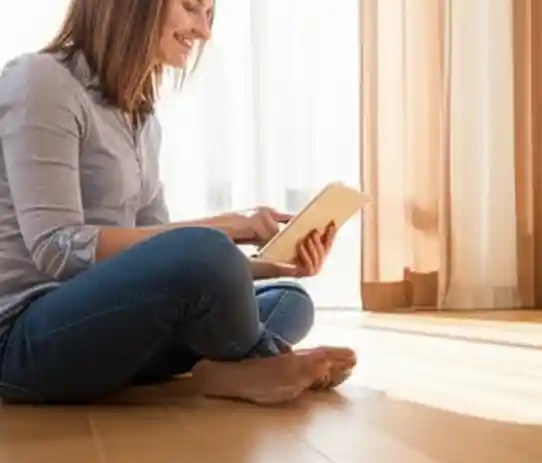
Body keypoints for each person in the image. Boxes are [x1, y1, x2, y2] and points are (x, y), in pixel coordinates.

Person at [0, 0, 357, 406]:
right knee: (208, 252)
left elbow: (162, 257)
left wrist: (271, 263)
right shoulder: (41, 81)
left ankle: (232, 366)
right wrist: (224, 228)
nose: (204, 31)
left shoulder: (141, 119)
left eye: (208, 13)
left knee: (289, 300)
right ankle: (258, 360)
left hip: (109, 331)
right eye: (191, 7)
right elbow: (57, 247)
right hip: (23, 340)